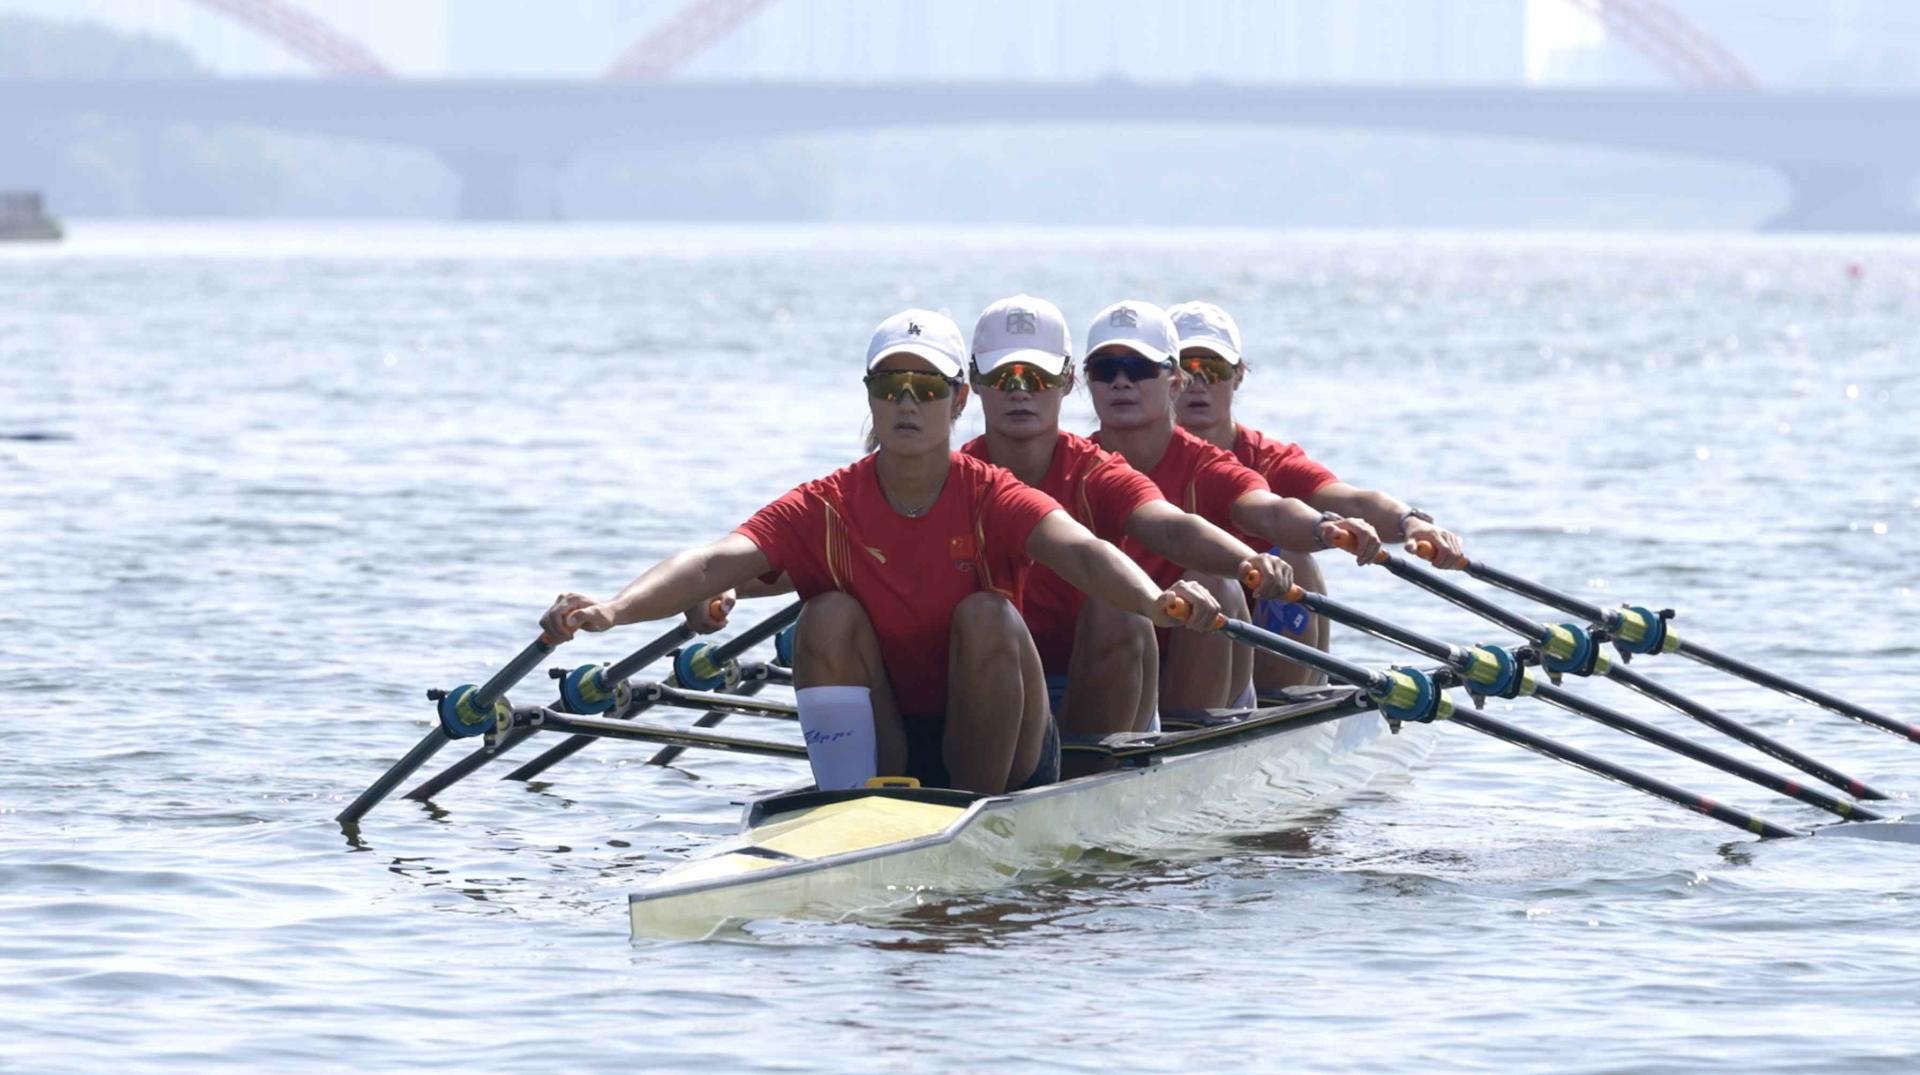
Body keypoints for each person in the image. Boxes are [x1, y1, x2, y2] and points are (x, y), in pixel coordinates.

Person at [539, 309, 1223, 796]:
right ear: (869, 395)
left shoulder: (991, 493)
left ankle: (971, 817)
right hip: (894, 730)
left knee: (989, 614)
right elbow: (717, 561)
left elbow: (1082, 551)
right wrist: (613, 609)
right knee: (826, 615)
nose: (906, 403)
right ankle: (848, 803)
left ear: (957, 398)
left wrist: (1155, 600)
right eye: (890, 387)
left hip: (1002, 743)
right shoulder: (828, 502)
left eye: (925, 389)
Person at [960, 294, 1303, 739]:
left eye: (1038, 376)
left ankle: (1124, 762)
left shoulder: (1099, 469)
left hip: (1112, 669)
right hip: (1009, 680)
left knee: (1193, 590)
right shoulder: (959, 478)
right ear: (975, 382)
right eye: (1002, 375)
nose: (1020, 390)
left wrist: (1249, 560)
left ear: (1065, 382)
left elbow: (1171, 527)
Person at [1078, 300, 1381, 715]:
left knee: (1262, 569)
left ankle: (1272, 708)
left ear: (1173, 382)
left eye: (1214, 370)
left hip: (1214, 646)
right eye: (1106, 371)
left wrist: (1330, 528)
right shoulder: (1077, 465)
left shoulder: (1222, 464)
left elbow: (1274, 510)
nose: (1122, 383)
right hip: (1112, 657)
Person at [1167, 300, 1466, 690]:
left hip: (1245, 648)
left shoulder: (1267, 460)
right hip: (1162, 623)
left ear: (1238, 376)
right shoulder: (1123, 460)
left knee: (1296, 561)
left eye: (1214, 369)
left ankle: (1286, 703)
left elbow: (1352, 501)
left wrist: (1410, 522)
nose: (1200, 384)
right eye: (1186, 370)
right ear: (1165, 379)